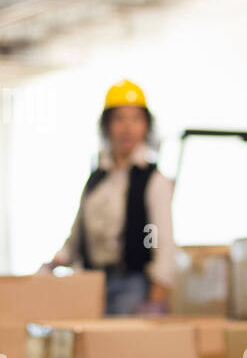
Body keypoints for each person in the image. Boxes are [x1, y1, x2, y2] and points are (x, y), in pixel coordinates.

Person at [42, 80, 176, 315]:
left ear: (146, 126)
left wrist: (157, 294)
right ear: (107, 126)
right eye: (119, 119)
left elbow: (162, 243)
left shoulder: (152, 180)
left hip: (133, 288)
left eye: (135, 119)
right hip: (91, 284)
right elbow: (77, 234)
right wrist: (56, 262)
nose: (127, 127)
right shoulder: (96, 179)